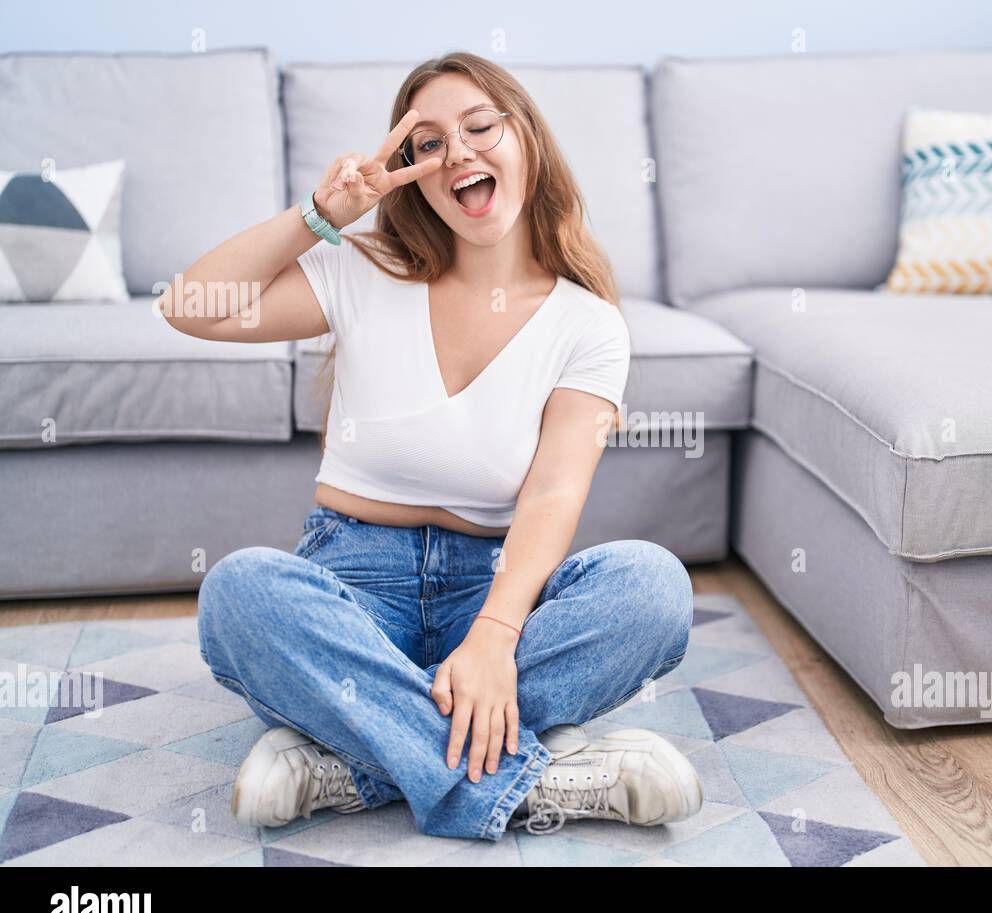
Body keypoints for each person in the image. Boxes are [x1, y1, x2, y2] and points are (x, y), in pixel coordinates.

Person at [158, 51, 702, 841]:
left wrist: (493, 636)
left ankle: (358, 758)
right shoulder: (363, 270)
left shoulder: (588, 325)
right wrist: (323, 211)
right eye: (428, 146)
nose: (460, 154)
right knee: (241, 594)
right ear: (408, 174)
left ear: (527, 142)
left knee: (652, 589)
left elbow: (553, 494)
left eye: (480, 128)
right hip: (351, 585)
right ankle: (525, 780)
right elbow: (188, 308)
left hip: (494, 586)